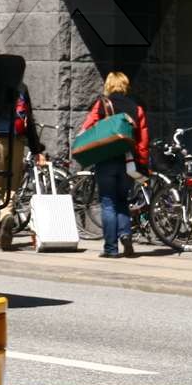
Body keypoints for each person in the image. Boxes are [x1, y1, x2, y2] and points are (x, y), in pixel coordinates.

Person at [78, 70, 151, 258]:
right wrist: (142, 164)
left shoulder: (101, 105)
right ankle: (125, 234)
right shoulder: (137, 108)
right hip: (128, 161)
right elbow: (143, 141)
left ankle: (111, 248)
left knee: (108, 202)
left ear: (108, 85)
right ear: (125, 86)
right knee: (122, 200)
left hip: (106, 160)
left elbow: (86, 129)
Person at [0, 55, 44, 249]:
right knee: (11, 188)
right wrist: (36, 149)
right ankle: (6, 216)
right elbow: (28, 120)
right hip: (18, 142)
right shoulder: (22, 88)